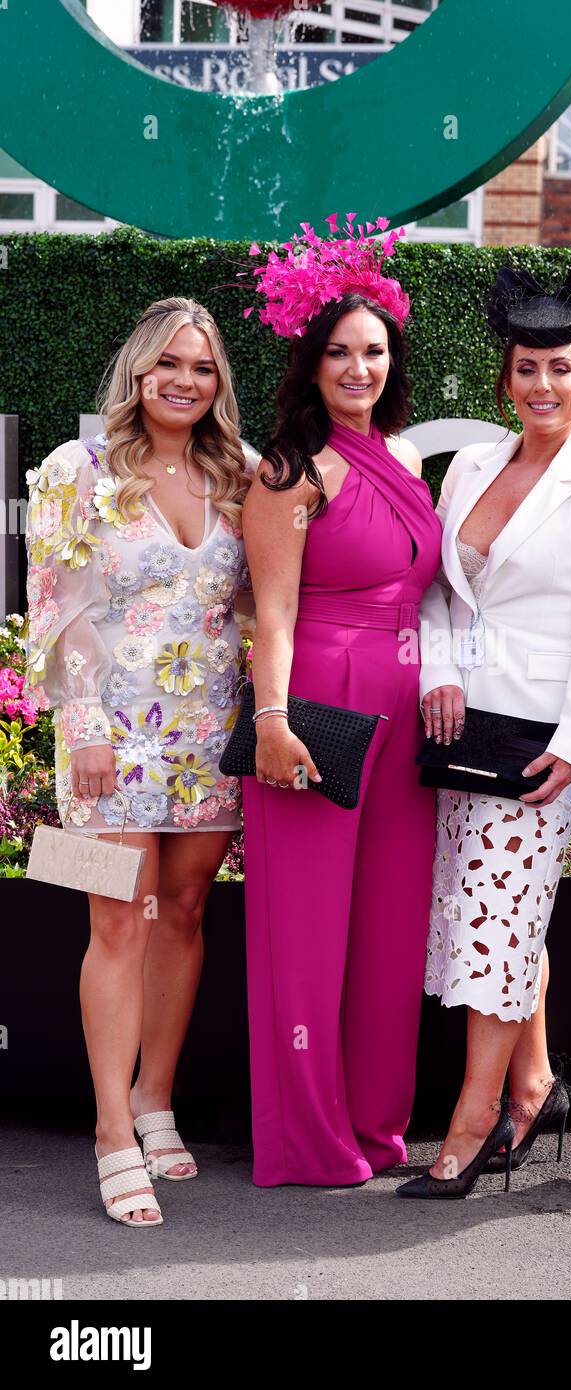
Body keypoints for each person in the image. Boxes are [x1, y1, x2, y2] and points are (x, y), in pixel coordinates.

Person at [396, 260, 571, 1199]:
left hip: (545, 740)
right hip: (464, 728)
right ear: (505, 378)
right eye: (526, 369)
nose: (542, 386)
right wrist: (441, 671)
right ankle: (535, 1083)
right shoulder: (468, 463)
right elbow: (433, 586)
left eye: (561, 370)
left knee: (495, 921)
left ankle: (469, 1126)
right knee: (495, 913)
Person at [23, 298, 257, 1225]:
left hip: (208, 732)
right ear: (136, 371)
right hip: (104, 732)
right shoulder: (71, 471)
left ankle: (157, 1097)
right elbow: (57, 602)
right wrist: (79, 723)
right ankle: (112, 1129)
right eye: (167, 364)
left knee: (186, 907)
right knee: (117, 918)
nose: (184, 381)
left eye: (201, 367)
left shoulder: (236, 474)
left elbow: (258, 603)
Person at [240, 214, 443, 1186]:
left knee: (390, 922)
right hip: (318, 709)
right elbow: (270, 615)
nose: (357, 367)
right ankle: (308, 1134)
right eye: (338, 353)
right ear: (311, 365)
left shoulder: (402, 461)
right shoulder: (291, 473)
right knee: (310, 925)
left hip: (405, 719)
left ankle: (374, 1122)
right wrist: (272, 721)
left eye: (372, 351)